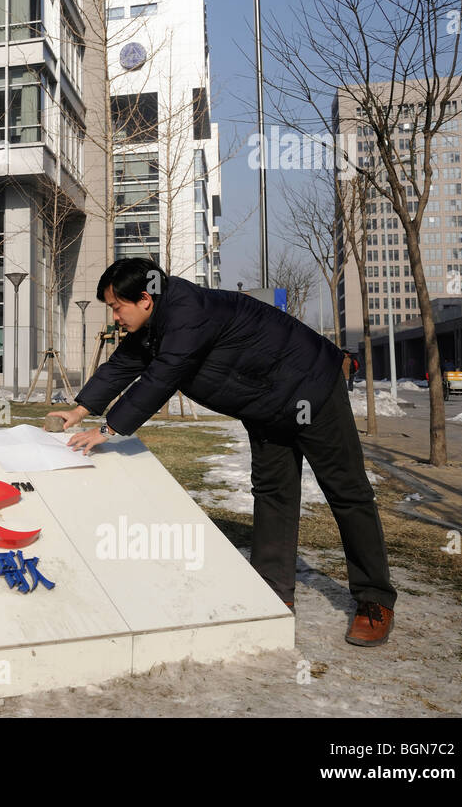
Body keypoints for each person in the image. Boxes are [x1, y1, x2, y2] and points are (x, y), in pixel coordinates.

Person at [48, 258, 396, 647]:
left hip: (311, 388)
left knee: (347, 492)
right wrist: (78, 410)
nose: (115, 317)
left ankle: (374, 600)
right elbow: (125, 364)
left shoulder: (187, 313)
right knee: (273, 494)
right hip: (265, 405)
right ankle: (272, 592)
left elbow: (164, 375)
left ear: (144, 299)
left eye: (116, 307)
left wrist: (108, 429)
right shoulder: (155, 322)